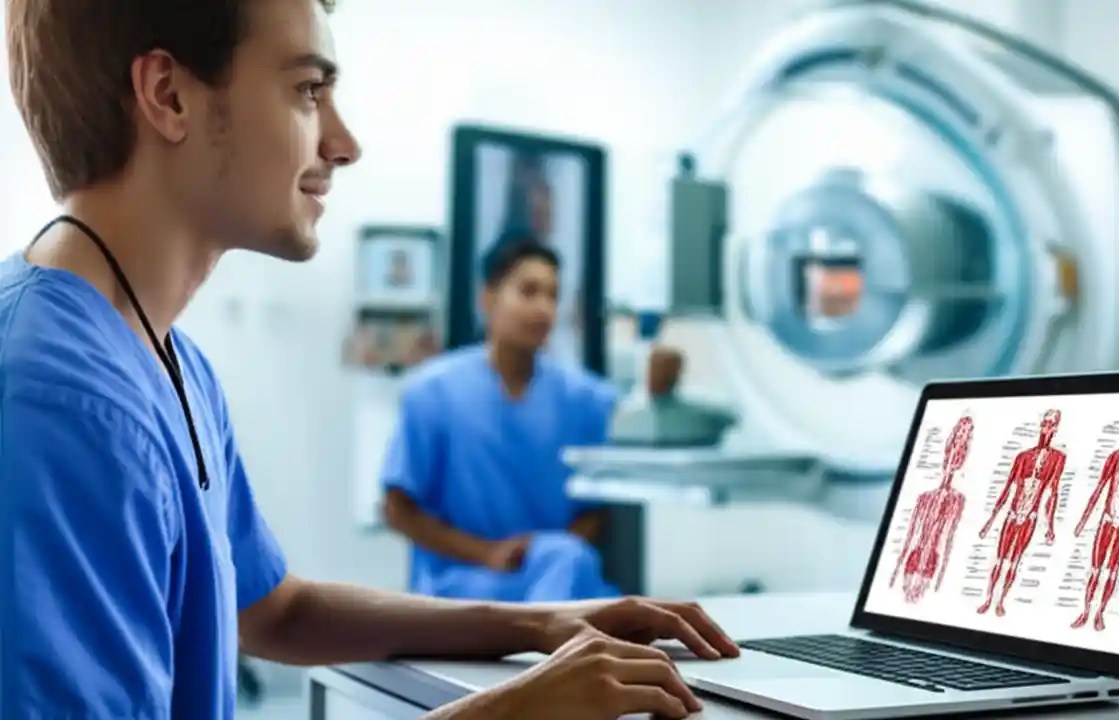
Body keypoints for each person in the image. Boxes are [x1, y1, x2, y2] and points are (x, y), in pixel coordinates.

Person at [0, 2, 738, 719]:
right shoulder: (57, 404)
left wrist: (541, 622)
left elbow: (278, 611)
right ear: (169, 97)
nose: (344, 142)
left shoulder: (166, 359)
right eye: (308, 90)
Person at [381, 237, 621, 602]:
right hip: (459, 583)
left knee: (571, 562)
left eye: (553, 295)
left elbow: (597, 508)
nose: (543, 309)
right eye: (528, 291)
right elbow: (397, 509)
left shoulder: (586, 399)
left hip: (556, 577)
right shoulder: (433, 393)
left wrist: (545, 553)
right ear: (488, 298)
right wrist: (488, 554)